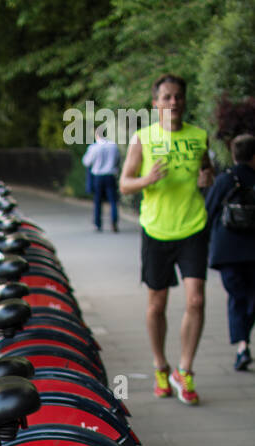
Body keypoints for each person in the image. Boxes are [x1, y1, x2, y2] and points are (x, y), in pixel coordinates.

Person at [119, 74, 214, 405]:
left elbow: (206, 173)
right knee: (156, 304)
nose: (174, 102)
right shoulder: (142, 138)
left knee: (196, 300)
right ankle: (161, 365)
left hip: (193, 226)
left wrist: (207, 178)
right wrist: (147, 179)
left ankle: (185, 370)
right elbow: (124, 184)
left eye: (178, 97)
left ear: (184, 101)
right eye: (167, 97)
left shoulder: (199, 137)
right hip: (156, 230)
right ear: (156, 103)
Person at [204, 133, 255, 370]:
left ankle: (242, 346)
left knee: (237, 297)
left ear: (234, 154)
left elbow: (209, 211)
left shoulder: (225, 180)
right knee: (249, 298)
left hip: (227, 252)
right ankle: (243, 344)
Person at [83, 133, 121, 231]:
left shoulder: (93, 147)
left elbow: (86, 162)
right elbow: (117, 160)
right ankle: (114, 221)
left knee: (98, 201)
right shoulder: (113, 146)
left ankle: (98, 224)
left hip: (98, 176)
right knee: (113, 201)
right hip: (110, 175)